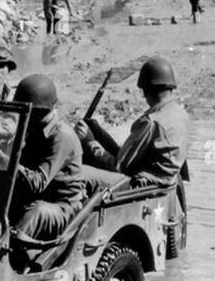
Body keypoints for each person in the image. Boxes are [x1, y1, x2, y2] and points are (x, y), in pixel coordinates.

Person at [75, 57, 189, 189]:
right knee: (94, 131)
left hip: (137, 185)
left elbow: (117, 167)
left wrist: (89, 142)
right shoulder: (181, 114)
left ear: (146, 91)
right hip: (158, 179)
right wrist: (96, 132)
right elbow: (126, 156)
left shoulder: (151, 123)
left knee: (78, 172)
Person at [9, 75, 87, 240]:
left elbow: (37, 182)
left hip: (63, 207)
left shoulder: (61, 136)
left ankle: (8, 251)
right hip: (34, 198)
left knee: (37, 212)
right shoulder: (33, 127)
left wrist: (7, 161)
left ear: (37, 112)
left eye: (26, 110)